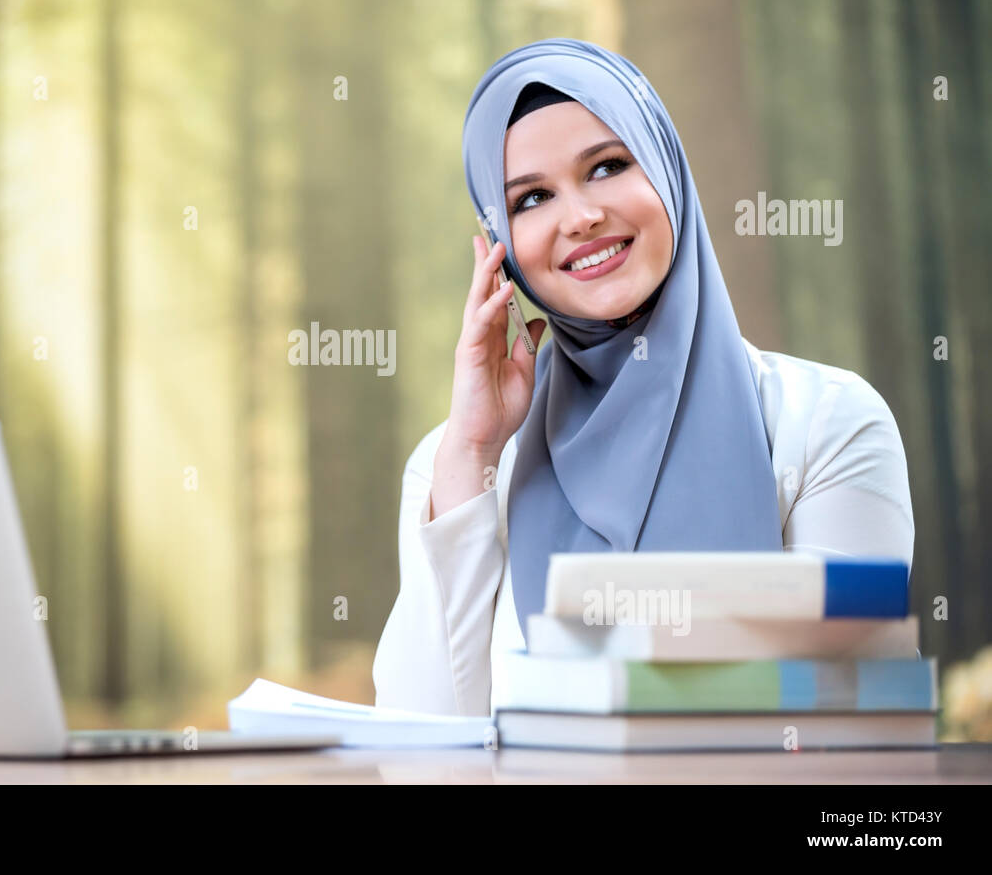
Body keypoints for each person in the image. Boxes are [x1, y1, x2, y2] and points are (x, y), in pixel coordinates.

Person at [372, 39, 914, 717]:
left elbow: (854, 722)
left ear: (667, 169)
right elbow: (422, 753)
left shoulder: (828, 423)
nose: (580, 216)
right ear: (499, 247)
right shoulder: (452, 467)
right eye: (533, 197)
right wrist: (473, 452)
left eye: (606, 166)